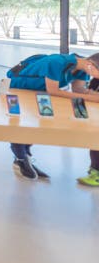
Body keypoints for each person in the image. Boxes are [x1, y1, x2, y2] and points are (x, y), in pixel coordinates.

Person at [5, 52, 99, 180]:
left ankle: (26, 157)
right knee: (21, 122)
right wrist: (91, 98)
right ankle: (20, 159)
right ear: (90, 65)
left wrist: (92, 96)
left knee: (38, 124)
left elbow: (79, 90)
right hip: (19, 88)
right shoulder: (57, 62)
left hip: (38, 92)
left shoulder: (83, 70)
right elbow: (53, 91)